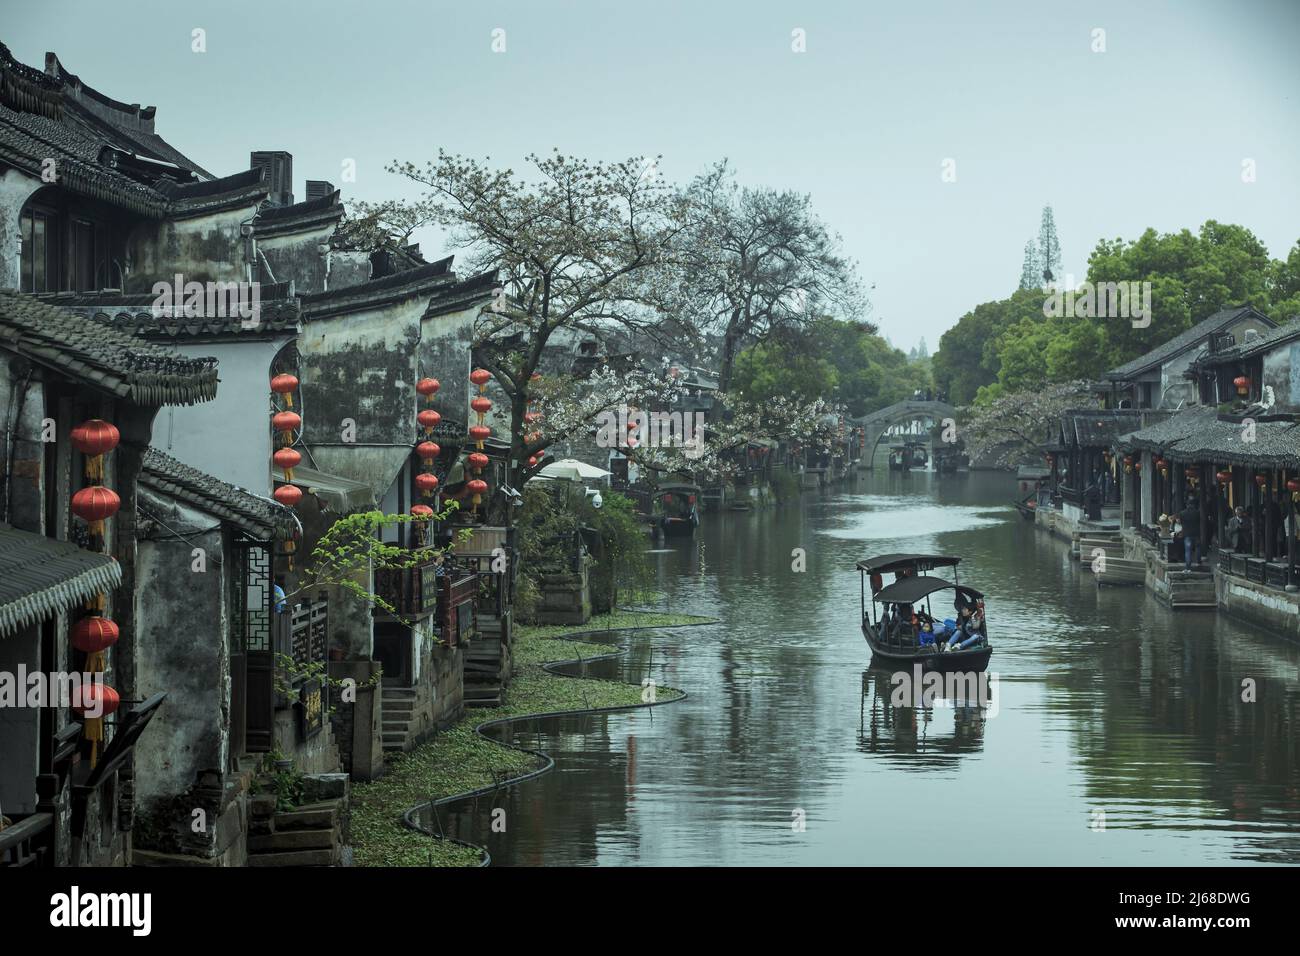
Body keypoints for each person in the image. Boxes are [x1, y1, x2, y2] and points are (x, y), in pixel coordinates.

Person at [1177, 498, 1201, 571]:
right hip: (1196, 533)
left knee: (1188, 550)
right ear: (1193, 505)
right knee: (1198, 548)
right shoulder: (1197, 512)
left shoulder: (1182, 513)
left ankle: (1188, 566)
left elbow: (1179, 522)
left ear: (1186, 505)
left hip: (1187, 534)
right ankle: (1198, 561)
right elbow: (1200, 521)